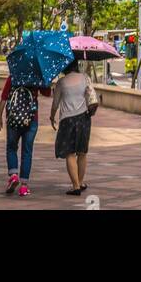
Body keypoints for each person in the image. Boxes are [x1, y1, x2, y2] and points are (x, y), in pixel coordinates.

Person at [0, 72, 51, 198]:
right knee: (27, 151)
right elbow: (47, 93)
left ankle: (13, 175)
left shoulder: (13, 76)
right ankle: (24, 186)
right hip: (31, 120)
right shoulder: (35, 76)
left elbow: (4, 97)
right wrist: (46, 79)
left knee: (11, 147)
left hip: (13, 119)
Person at [50, 58, 97, 195]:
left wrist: (52, 117)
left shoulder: (61, 82)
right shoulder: (85, 78)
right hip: (84, 119)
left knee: (70, 153)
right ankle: (80, 182)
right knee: (82, 152)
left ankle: (75, 186)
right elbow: (91, 96)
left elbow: (55, 104)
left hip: (67, 121)